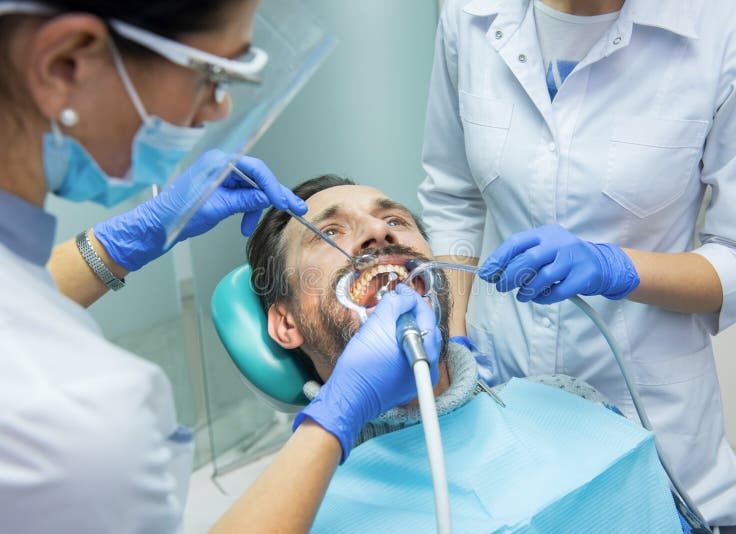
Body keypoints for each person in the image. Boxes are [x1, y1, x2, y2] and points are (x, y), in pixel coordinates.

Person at [0, 2, 430, 532]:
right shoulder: (79, 418)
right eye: (211, 73)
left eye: (395, 219)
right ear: (65, 63)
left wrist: (127, 240)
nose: (220, 107)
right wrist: (338, 414)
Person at [418, 0, 736, 527]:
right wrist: (453, 336)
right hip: (503, 428)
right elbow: (453, 197)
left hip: (657, 445)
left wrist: (618, 267)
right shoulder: (470, 12)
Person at [240, 174, 689, 533]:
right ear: (287, 324)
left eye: (395, 220)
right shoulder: (292, 510)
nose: (378, 231)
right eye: (329, 232)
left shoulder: (567, 398)